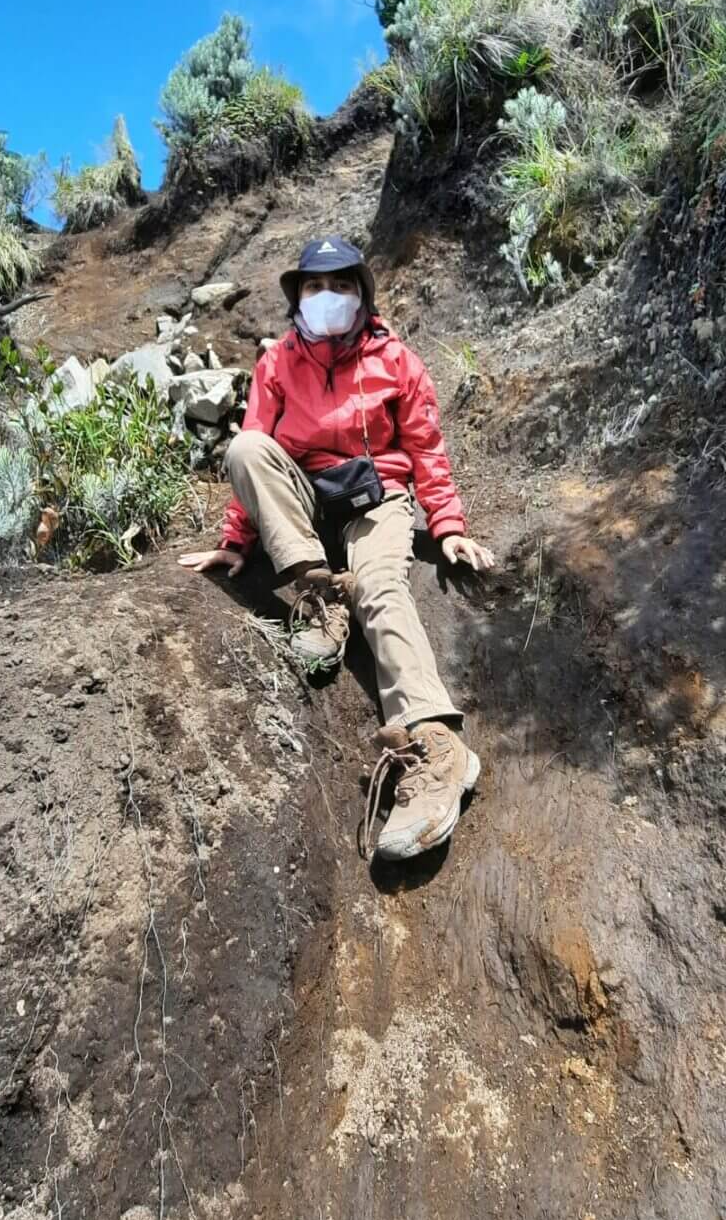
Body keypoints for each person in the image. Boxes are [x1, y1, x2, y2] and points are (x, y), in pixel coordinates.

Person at [179, 235, 494, 859]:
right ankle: (323, 595)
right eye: (315, 286)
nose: (328, 298)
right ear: (297, 297)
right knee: (243, 449)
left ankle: (438, 745)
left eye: (342, 286)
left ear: (362, 296)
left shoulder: (396, 360)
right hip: (309, 506)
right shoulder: (276, 364)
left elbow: (426, 447)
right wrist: (237, 538)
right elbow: (255, 446)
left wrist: (449, 525)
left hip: (379, 501)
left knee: (381, 586)